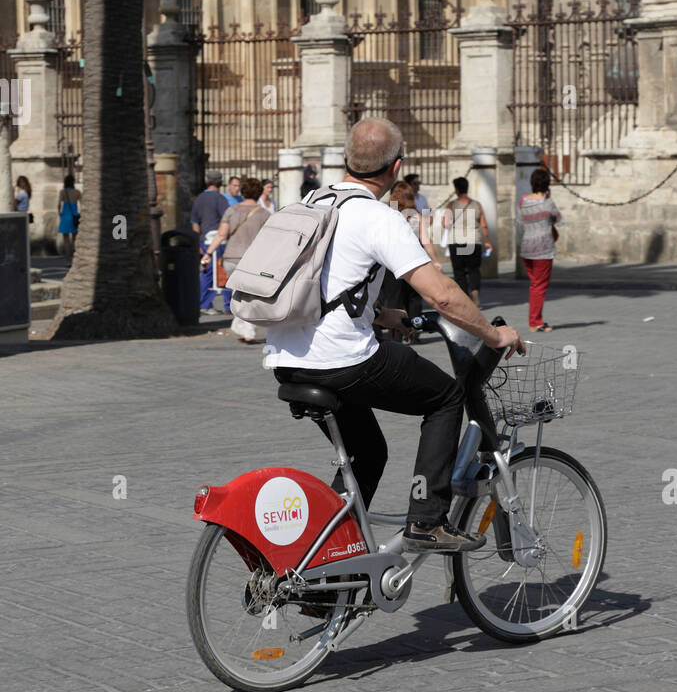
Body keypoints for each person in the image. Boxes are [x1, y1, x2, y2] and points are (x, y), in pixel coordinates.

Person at [266, 118, 524, 554]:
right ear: (396, 166)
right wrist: (493, 335)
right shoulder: (377, 216)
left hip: (286, 358)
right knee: (446, 397)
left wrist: (382, 315)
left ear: (347, 160)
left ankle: (321, 565)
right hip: (341, 360)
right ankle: (426, 520)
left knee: (368, 454)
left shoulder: (312, 200)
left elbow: (322, 280)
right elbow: (442, 295)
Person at [202, 178, 270, 342]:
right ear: (260, 192)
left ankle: (238, 325)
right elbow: (269, 240)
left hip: (230, 259)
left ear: (242, 192)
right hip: (252, 260)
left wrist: (208, 254)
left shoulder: (230, 211)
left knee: (238, 293)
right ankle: (247, 331)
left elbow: (221, 235)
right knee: (250, 296)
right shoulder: (264, 214)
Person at [387, 179, 442, 340]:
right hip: (413, 261)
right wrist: (435, 260)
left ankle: (394, 335)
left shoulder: (389, 215)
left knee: (393, 298)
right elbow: (426, 241)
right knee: (414, 298)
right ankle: (414, 332)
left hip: (391, 262)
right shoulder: (417, 216)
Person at [518, 166, 561, 332]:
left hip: (527, 247)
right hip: (543, 249)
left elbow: (521, 220)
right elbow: (558, 219)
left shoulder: (523, 201)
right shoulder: (548, 203)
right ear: (547, 185)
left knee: (534, 285)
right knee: (539, 285)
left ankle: (535, 319)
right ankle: (536, 322)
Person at [442, 176, 491, 306]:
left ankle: (464, 297)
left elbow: (445, 224)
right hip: (473, 240)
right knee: (474, 269)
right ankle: (474, 291)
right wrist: (487, 241)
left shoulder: (451, 205)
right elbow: (484, 224)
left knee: (459, 271)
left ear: (456, 189)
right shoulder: (476, 205)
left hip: (456, 241)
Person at [190, 171, 228, 313]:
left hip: (204, 241)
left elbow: (195, 223)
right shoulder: (220, 199)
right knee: (221, 273)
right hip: (218, 242)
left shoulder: (198, 199)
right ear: (220, 182)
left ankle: (205, 303)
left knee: (207, 273)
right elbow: (227, 220)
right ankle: (221, 305)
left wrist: (198, 242)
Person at [57, 173, 81, 267]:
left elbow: (59, 205)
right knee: (75, 239)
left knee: (66, 240)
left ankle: (69, 261)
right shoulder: (77, 192)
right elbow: (82, 204)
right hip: (74, 216)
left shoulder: (62, 192)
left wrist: (60, 213)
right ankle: (75, 259)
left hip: (65, 216)